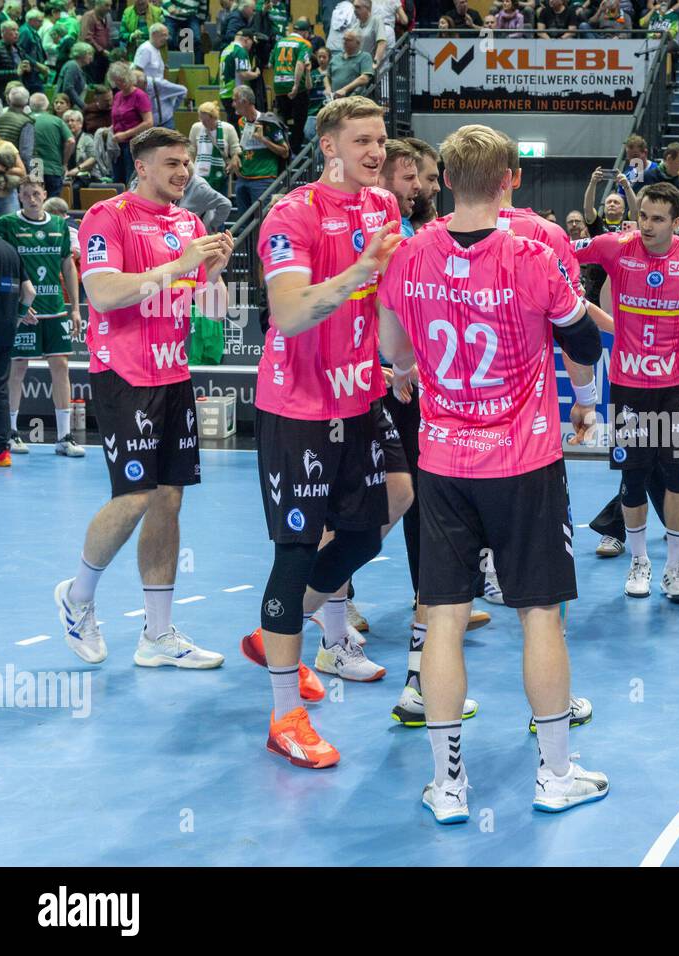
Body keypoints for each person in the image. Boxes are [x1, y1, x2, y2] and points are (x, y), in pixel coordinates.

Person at [375, 122, 609, 822]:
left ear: (444, 179)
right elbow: (585, 342)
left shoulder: (408, 255)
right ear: (512, 179)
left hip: (443, 462)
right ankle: (555, 775)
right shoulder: (535, 256)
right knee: (539, 614)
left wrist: (412, 365)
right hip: (525, 463)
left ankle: (448, 788)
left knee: (443, 618)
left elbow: (394, 349)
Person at [244, 97, 404, 767]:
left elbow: (390, 298)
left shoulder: (383, 207)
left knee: (371, 526)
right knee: (297, 549)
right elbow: (289, 311)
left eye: (382, 140)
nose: (377, 151)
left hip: (359, 396)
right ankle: (286, 715)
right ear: (329, 146)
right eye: (363, 140)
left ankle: (278, 625)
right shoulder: (291, 216)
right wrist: (360, 271)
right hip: (297, 408)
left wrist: (404, 362)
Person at [54, 127, 232, 669]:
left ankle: (156, 635)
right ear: (143, 166)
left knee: (169, 500)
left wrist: (213, 270)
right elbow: (104, 294)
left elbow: (207, 304)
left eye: (187, 163)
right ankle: (77, 595)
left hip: (172, 375)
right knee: (133, 496)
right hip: (124, 374)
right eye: (173, 163)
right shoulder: (107, 216)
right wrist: (180, 267)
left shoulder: (189, 222)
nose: (184, 172)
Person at [575, 181, 679, 602]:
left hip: (675, 387)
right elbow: (558, 250)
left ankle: (675, 569)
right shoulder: (615, 247)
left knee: (677, 476)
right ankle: (639, 561)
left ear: (676, 222)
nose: (647, 226)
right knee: (633, 479)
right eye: (644, 217)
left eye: (658, 219)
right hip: (628, 385)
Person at [3, 177, 81, 456]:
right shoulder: (8, 225)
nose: (32, 198)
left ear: (45, 194)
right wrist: (18, 305)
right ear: (19, 197)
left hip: (56, 308)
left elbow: (68, 266)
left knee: (61, 366)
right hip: (26, 311)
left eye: (36, 193)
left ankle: (64, 437)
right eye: (26, 194)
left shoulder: (60, 225)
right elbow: (5, 265)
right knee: (18, 367)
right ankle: (10, 433)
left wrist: (74, 307)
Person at [0, 203, 31, 466]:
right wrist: (18, 315)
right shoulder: (10, 251)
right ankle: (1, 452)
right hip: (5, 330)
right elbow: (30, 293)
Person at [233, 84, 288, 212]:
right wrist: (236, 156)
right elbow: (243, 145)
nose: (233, 104)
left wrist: (262, 139)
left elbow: (284, 151)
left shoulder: (268, 121)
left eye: (235, 100)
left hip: (263, 178)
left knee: (263, 220)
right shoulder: (241, 122)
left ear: (244, 101)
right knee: (244, 223)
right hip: (243, 177)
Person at [270, 17, 313, 156]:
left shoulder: (279, 42)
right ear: (306, 33)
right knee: (299, 122)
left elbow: (271, 64)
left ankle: (282, 148)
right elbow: (300, 64)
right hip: (295, 87)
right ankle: (294, 152)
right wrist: (295, 85)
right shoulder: (304, 43)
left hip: (278, 85)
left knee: (283, 120)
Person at [188, 100, 239, 198]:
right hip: (199, 175)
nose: (203, 123)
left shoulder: (228, 128)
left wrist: (233, 161)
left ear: (214, 117)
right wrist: (191, 170)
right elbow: (191, 151)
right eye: (201, 120)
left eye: (206, 121)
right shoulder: (196, 128)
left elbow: (236, 150)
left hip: (221, 175)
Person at [219, 28, 259, 125]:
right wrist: (256, 74)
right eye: (251, 43)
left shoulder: (226, 49)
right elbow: (243, 74)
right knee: (239, 125)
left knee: (232, 123)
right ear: (246, 40)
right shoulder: (240, 51)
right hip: (236, 94)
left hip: (224, 91)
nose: (251, 46)